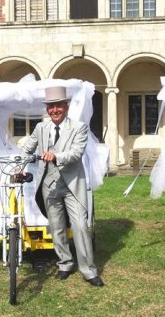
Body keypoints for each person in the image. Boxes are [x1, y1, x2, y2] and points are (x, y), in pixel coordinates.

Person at [21, 86, 104, 287]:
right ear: (47, 109)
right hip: (49, 185)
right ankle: (65, 264)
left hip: (73, 186)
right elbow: (27, 149)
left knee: (80, 227)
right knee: (56, 227)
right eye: (51, 107)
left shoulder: (79, 127)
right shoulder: (40, 128)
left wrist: (56, 155)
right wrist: (20, 166)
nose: (54, 110)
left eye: (58, 106)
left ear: (65, 107)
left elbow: (76, 153)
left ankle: (89, 270)